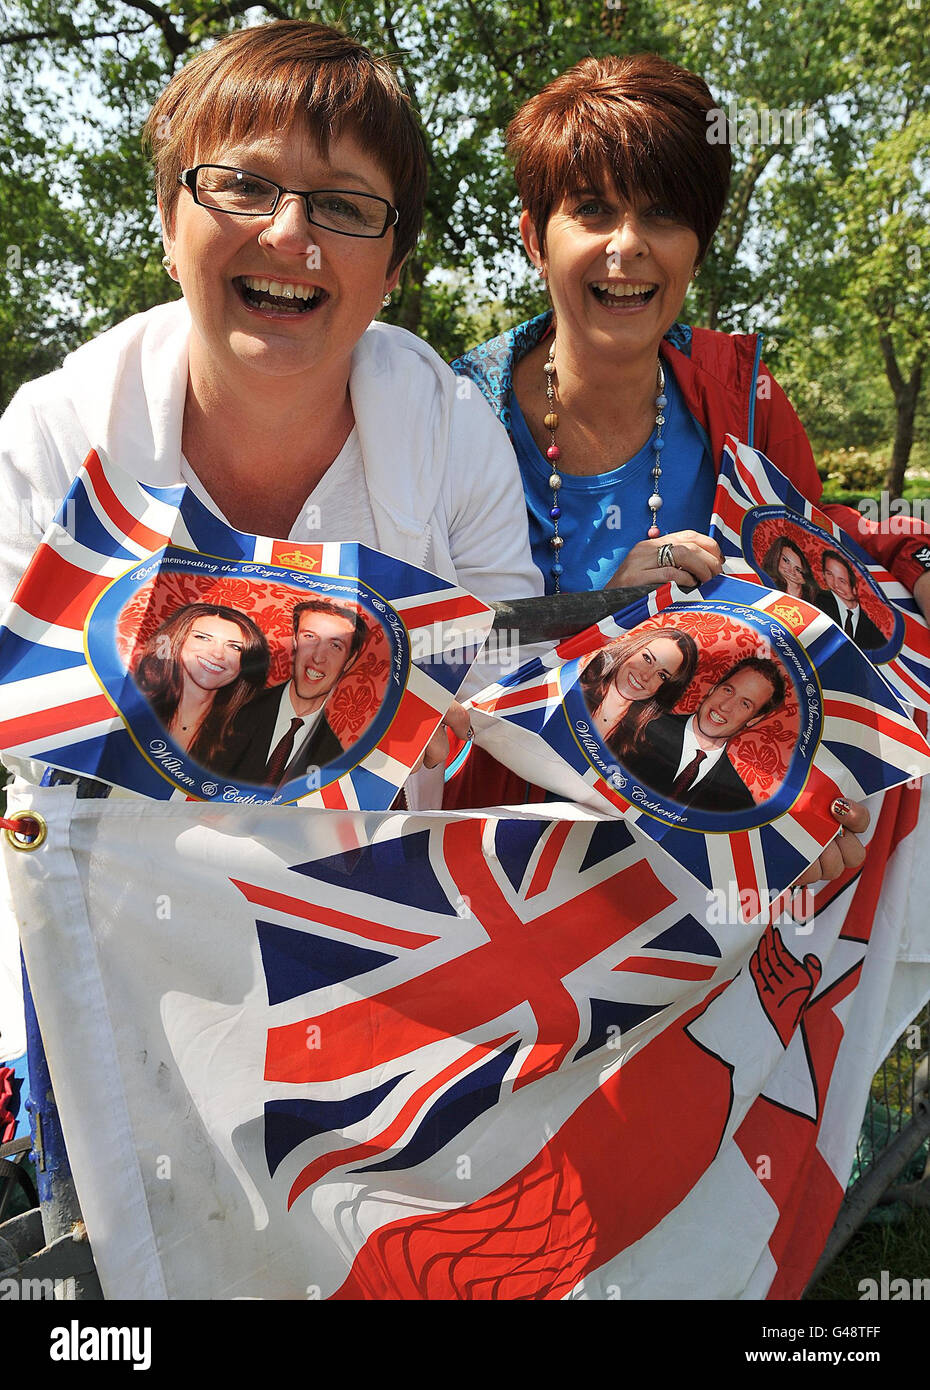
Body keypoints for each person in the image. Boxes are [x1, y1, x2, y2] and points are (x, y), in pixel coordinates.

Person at [0, 20, 542, 809]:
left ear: (394, 266)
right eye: (244, 186)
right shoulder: (52, 436)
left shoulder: (457, 436)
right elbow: (25, 720)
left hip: (373, 915)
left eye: (344, 205)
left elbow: (508, 668)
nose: (290, 236)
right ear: (168, 222)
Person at [448, 51, 930, 878]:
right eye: (592, 210)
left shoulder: (745, 397)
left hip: (713, 847)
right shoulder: (449, 414)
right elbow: (431, 646)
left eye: (664, 214)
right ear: (534, 236)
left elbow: (824, 560)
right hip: (514, 858)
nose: (627, 246)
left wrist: (913, 558)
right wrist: (605, 609)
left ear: (698, 244)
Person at [218, 598, 365, 786]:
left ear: (350, 661)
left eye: (335, 645)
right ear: (295, 641)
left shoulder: (338, 759)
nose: (318, 657)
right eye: (310, 637)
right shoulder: (230, 710)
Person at [622, 656, 786, 812]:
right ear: (714, 688)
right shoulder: (637, 726)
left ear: (754, 719)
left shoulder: (737, 802)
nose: (725, 706)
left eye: (745, 704)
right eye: (728, 690)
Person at [133, 602, 270, 763]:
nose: (218, 654)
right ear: (177, 640)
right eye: (203, 638)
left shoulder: (248, 736)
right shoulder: (129, 706)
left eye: (234, 647)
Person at [579, 627, 697, 761]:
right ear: (632, 649)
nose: (646, 675)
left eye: (662, 675)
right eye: (647, 658)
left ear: (665, 689)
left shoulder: (641, 747)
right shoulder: (576, 681)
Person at [815, 549, 885, 651]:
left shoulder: (875, 635)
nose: (835, 585)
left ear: (857, 585)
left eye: (842, 581)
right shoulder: (815, 602)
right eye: (829, 574)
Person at [761, 537, 818, 603]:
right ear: (776, 556)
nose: (791, 571)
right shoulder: (765, 586)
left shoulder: (817, 600)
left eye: (798, 570)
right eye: (786, 561)